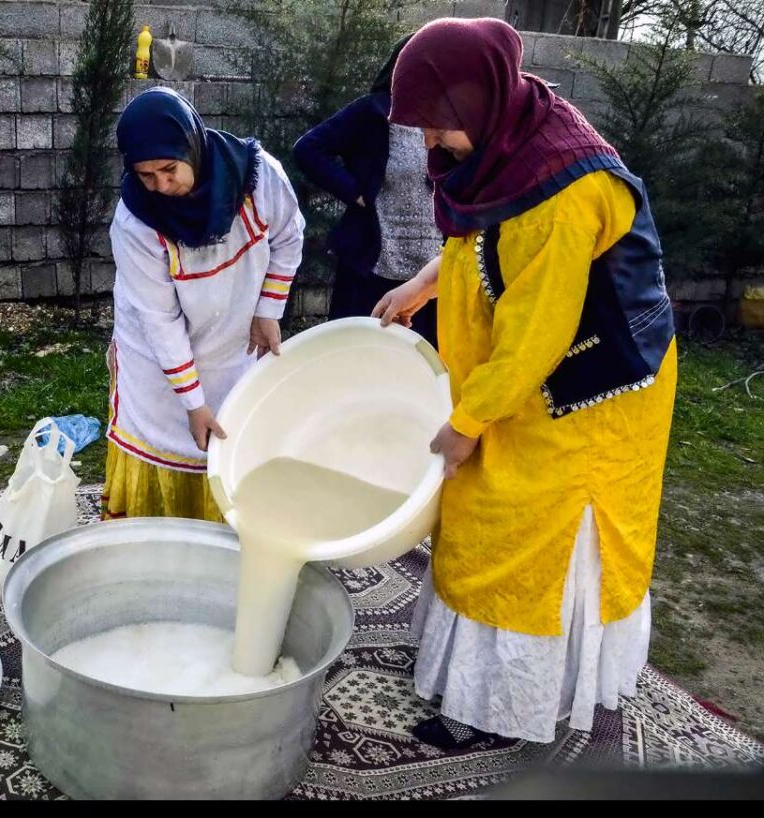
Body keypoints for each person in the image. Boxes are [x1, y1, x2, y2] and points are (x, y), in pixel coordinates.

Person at [373, 17, 677, 749]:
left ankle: (504, 710)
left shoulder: (561, 192)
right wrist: (426, 283)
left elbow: (538, 330)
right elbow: (485, 232)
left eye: (439, 127)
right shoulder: (511, 142)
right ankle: (475, 680)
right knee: (482, 513)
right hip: (523, 375)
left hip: (591, 391)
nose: (432, 145)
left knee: (526, 539)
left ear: (478, 101)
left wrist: (467, 421)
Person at [102, 87, 305, 522]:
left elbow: (289, 235)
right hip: (157, 365)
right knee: (166, 449)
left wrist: (269, 309)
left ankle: (219, 554)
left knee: (230, 445)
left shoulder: (258, 178)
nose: (162, 186)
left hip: (234, 346)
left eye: (169, 169)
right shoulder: (136, 222)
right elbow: (160, 319)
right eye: (146, 176)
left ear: (191, 145)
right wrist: (193, 403)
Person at [293, 34, 440, 345]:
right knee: (357, 350)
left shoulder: (449, 121)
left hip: (431, 269)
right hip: (374, 260)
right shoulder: (372, 113)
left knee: (422, 360)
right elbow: (308, 149)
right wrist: (355, 192)